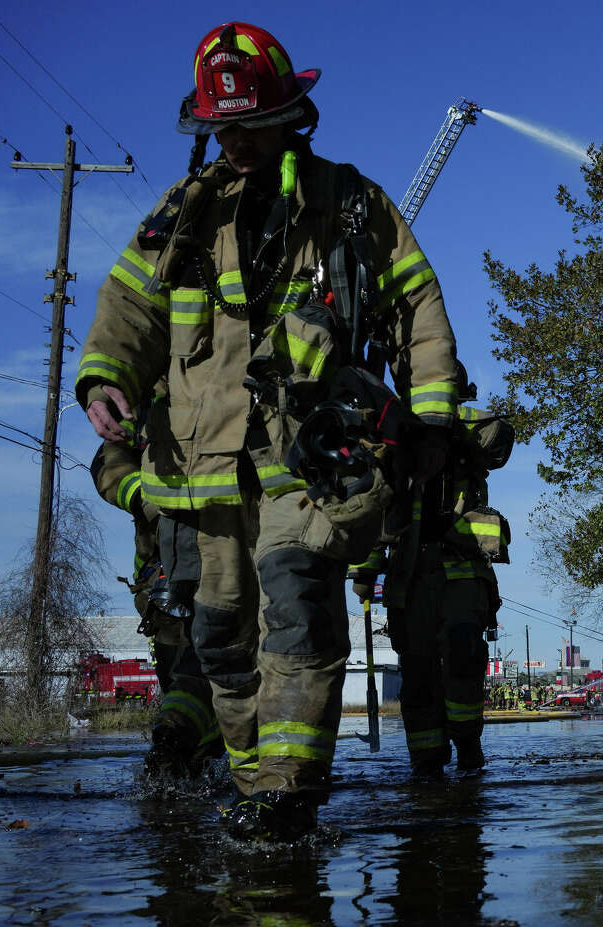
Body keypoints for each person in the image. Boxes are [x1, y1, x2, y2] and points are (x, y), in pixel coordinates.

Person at [77, 21, 460, 841]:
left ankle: (288, 791)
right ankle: (253, 783)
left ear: (292, 113)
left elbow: (421, 313)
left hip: (306, 463)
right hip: (201, 471)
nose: (237, 141)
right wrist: (105, 377)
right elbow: (129, 311)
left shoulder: (351, 205)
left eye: (251, 123)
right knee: (219, 637)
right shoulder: (182, 215)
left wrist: (429, 417)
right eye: (225, 127)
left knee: (296, 611)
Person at [352, 367, 510, 778]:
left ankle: (468, 745)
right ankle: (426, 762)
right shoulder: (391, 439)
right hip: (409, 579)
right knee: (418, 673)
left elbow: (499, 440)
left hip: (460, 571)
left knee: (463, 653)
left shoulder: (470, 433)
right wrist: (365, 573)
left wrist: (442, 426)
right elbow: (375, 510)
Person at [88, 405, 222, 782]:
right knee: (186, 681)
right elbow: (107, 466)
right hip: (169, 583)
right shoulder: (149, 410)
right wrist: (147, 500)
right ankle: (176, 753)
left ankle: (182, 760)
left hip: (231, 570)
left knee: (211, 679)